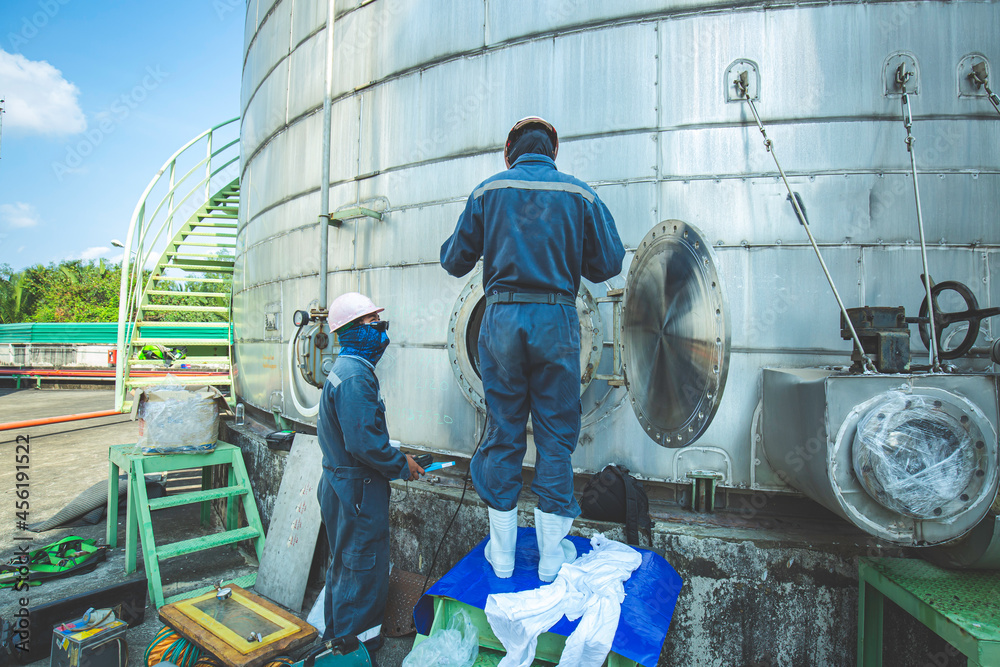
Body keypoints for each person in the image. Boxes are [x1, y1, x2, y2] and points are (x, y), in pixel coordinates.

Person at [440, 117, 626, 582]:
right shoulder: (579, 194)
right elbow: (609, 262)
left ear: (510, 152)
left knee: (503, 431)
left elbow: (453, 259)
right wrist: (564, 252)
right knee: (555, 435)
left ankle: (501, 557)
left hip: (501, 321)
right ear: (553, 152)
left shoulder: (488, 191)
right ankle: (550, 558)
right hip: (557, 322)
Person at [316, 291, 424, 659]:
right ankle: (354, 652)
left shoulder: (343, 369)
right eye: (373, 323)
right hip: (358, 490)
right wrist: (400, 464)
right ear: (351, 330)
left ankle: (337, 640)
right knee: (362, 568)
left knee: (346, 564)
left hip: (341, 482)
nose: (381, 331)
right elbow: (364, 444)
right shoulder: (357, 378)